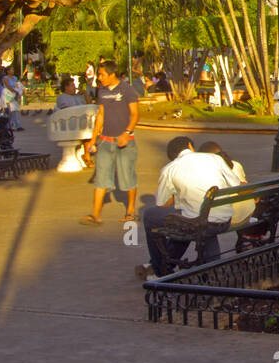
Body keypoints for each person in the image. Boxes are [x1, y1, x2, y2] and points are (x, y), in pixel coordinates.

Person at [138, 136, 253, 278]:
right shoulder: (214, 159)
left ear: (172, 157)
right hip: (224, 219)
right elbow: (237, 185)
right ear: (190, 146)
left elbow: (162, 204)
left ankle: (160, 268)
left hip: (199, 223)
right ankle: (209, 271)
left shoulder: (170, 168)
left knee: (151, 215)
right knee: (192, 217)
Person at [81, 60, 139, 225]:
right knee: (101, 177)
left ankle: (130, 211)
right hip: (106, 141)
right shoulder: (102, 91)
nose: (99, 78)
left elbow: (135, 114)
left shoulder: (127, 90)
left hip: (125, 142)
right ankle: (95, 214)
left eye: (102, 75)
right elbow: (101, 115)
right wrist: (93, 139)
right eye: (99, 75)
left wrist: (126, 133)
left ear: (112, 74)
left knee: (127, 176)